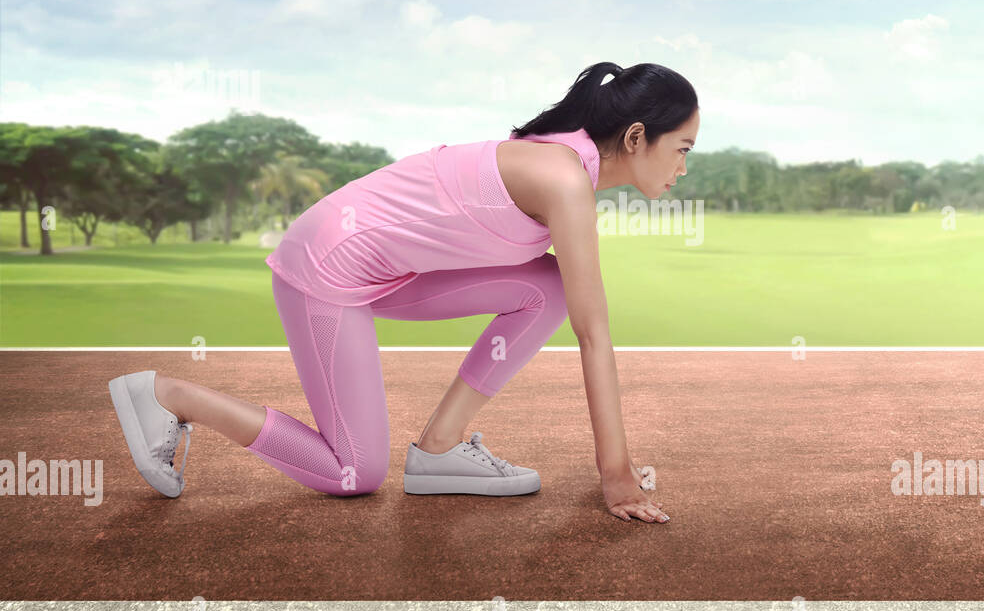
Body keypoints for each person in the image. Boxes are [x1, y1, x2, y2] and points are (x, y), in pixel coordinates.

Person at [107, 61, 699, 524]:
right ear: (638, 135)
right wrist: (614, 473)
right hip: (327, 266)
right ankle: (168, 395)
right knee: (353, 474)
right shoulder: (563, 177)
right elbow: (594, 336)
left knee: (545, 286)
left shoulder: (569, 165)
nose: (683, 167)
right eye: (683, 149)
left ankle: (439, 449)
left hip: (389, 271)